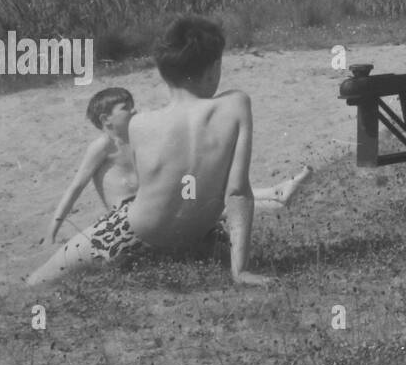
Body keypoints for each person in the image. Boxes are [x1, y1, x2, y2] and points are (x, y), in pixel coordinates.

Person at [28, 15, 294, 287]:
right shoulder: (236, 105)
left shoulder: (140, 124)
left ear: (163, 72)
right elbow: (237, 192)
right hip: (197, 235)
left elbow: (149, 191)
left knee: (40, 279)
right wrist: (241, 270)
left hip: (135, 234)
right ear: (214, 68)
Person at [44, 85, 311, 247]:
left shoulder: (138, 139)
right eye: (126, 109)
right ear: (106, 119)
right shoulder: (102, 147)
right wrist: (53, 229)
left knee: (202, 196)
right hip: (130, 215)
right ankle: (274, 196)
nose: (135, 112)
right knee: (200, 205)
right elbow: (75, 187)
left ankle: (275, 194)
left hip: (152, 206)